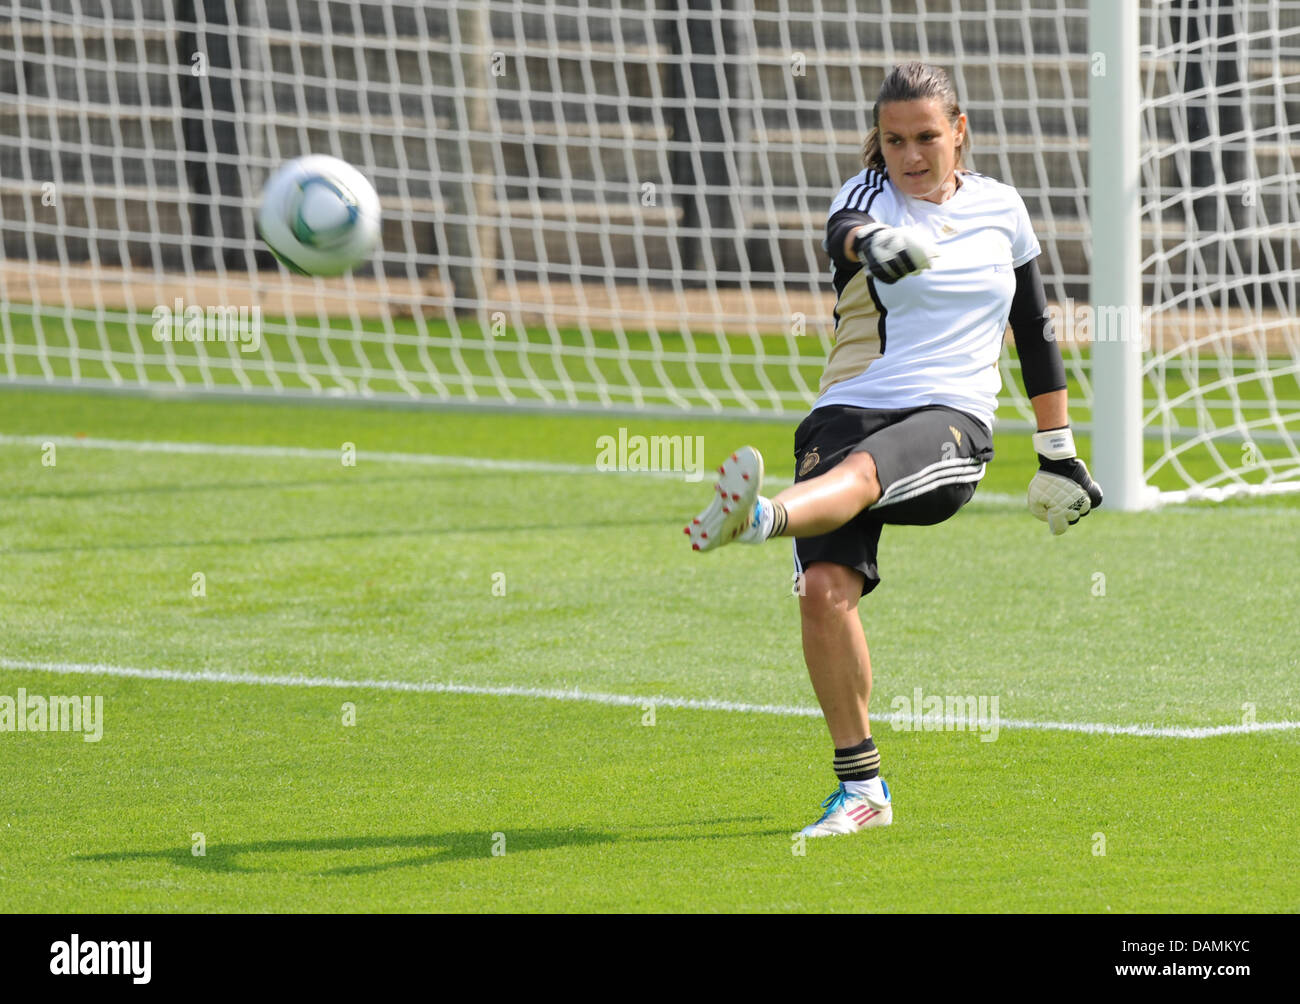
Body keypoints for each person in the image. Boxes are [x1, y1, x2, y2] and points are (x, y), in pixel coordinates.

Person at [684, 61, 1102, 837]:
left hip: (949, 419)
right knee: (823, 593)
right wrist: (873, 241)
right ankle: (863, 791)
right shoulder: (864, 196)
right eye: (894, 139)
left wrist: (1058, 452)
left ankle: (764, 517)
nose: (910, 154)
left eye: (926, 137)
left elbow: (1036, 333)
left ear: (959, 133)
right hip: (844, 410)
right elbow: (842, 233)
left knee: (861, 476)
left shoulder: (1002, 208)